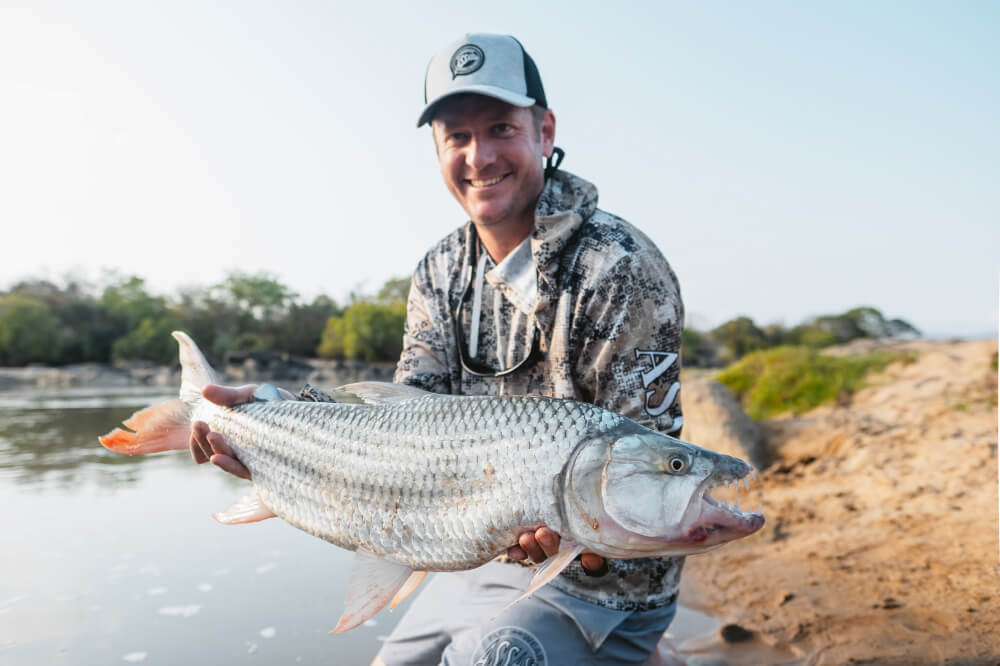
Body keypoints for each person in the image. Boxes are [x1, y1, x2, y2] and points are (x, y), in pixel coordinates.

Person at [190, 33, 685, 665]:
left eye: (501, 127)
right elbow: (404, 419)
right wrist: (271, 412)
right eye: (456, 136)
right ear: (436, 149)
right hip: (467, 556)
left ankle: (646, 653)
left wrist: (570, 531)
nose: (479, 156)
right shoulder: (439, 269)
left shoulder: (620, 266)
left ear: (544, 129)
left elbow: (644, 488)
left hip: (607, 586)